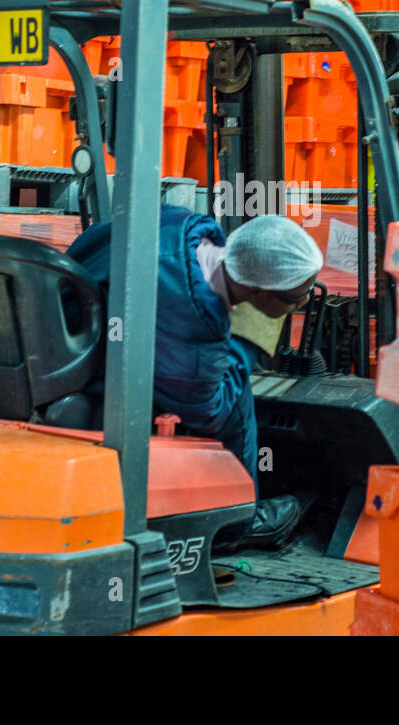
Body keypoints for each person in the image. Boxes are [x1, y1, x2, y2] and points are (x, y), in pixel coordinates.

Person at [66, 205, 324, 551]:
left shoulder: (175, 223)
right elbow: (209, 412)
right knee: (234, 398)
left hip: (79, 336)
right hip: (104, 377)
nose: (303, 302)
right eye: (296, 298)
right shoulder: (197, 334)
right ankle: (236, 523)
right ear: (256, 293)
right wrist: (248, 342)